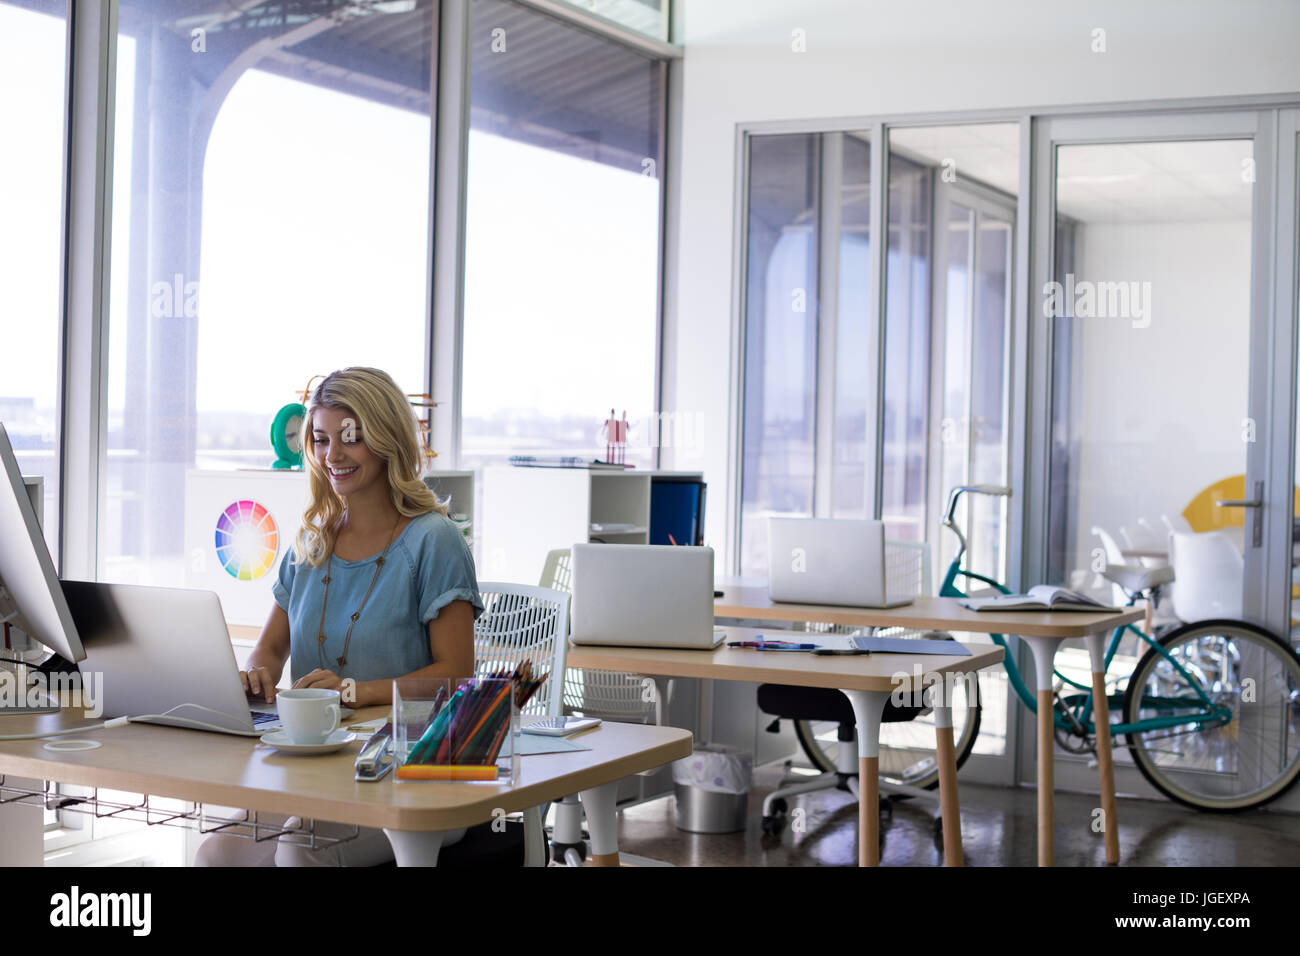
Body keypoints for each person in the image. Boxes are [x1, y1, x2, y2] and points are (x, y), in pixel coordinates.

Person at [195, 367, 483, 866]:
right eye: (322, 439)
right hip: (319, 768)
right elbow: (271, 646)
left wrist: (350, 691)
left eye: (351, 437)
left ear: (386, 436)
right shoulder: (312, 541)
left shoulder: (434, 540)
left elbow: (457, 675)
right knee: (218, 853)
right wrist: (257, 671)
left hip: (421, 771)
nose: (333, 455)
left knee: (298, 850)